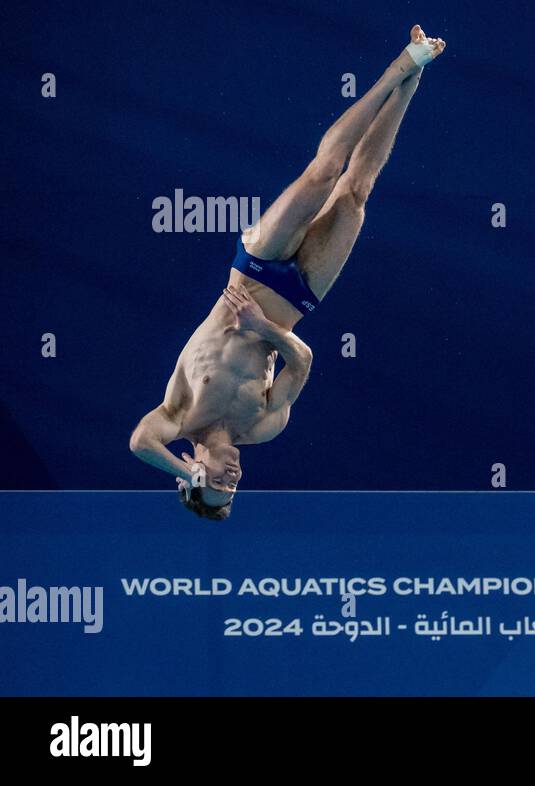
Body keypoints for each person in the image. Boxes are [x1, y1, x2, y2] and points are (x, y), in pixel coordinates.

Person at [129, 26, 445, 519]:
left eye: (216, 485)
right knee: (356, 192)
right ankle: (416, 78)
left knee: (323, 173)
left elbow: (138, 443)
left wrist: (180, 473)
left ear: (193, 470)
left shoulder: (179, 415)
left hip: (253, 269)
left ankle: (397, 69)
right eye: (232, 491)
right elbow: (302, 360)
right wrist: (262, 329)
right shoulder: (262, 427)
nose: (231, 481)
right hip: (299, 297)